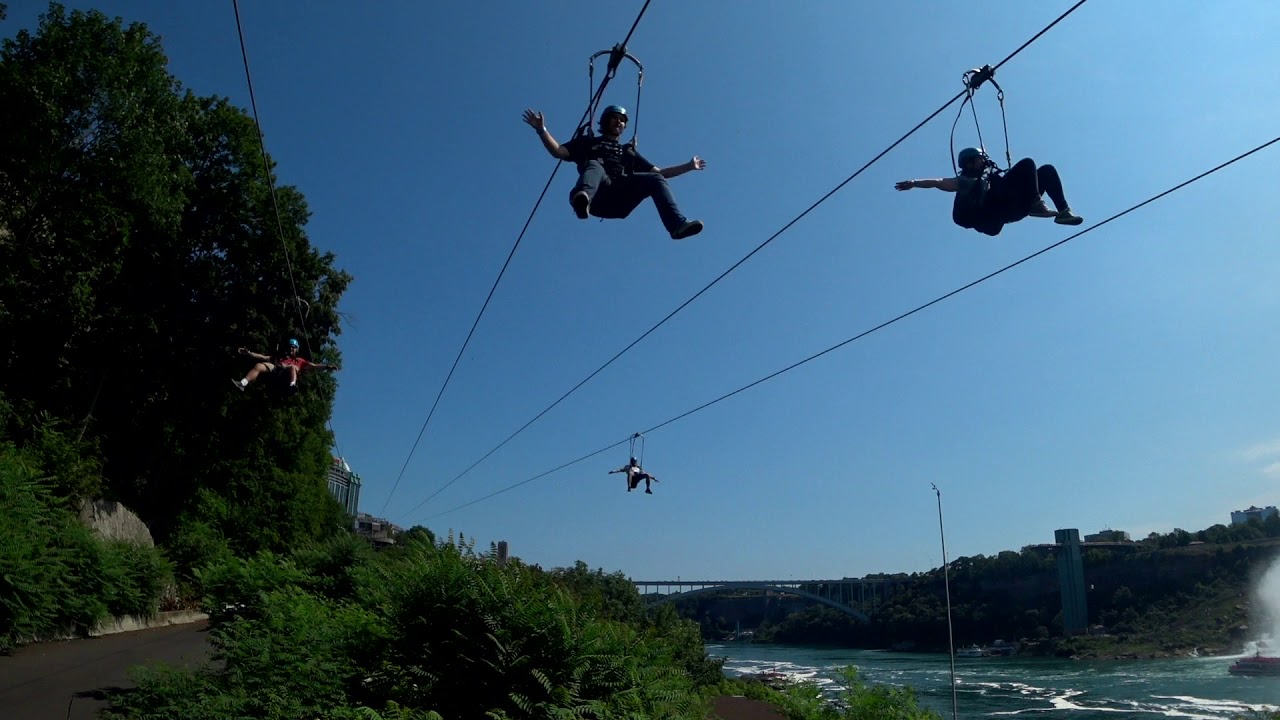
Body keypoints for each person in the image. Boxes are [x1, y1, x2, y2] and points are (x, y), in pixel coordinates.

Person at [522, 104, 706, 240]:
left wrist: (689, 166)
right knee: (595, 164)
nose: (619, 121)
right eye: (615, 118)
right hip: (599, 196)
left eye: (622, 120)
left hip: (621, 197)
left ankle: (676, 225)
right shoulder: (588, 142)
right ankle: (582, 200)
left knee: (655, 179)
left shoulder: (627, 151)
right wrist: (541, 130)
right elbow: (558, 152)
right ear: (605, 121)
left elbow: (661, 173)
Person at [895, 147, 1083, 236]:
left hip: (1015, 206)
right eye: (979, 159)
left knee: (1046, 171)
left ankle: (1063, 212)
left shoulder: (988, 176)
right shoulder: (967, 182)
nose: (983, 161)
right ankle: (1036, 205)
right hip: (1001, 208)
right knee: (1027, 163)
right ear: (969, 163)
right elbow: (939, 183)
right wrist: (914, 183)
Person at [231, 338, 338, 394]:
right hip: (278, 369)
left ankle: (292, 385)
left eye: (293, 347)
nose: (291, 349)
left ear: (297, 349)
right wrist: (249, 353)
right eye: (290, 347)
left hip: (287, 376)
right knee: (259, 365)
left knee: (292, 367)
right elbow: (263, 357)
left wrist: (328, 367)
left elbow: (314, 366)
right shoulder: (281, 357)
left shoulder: (300, 361)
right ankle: (243, 383)